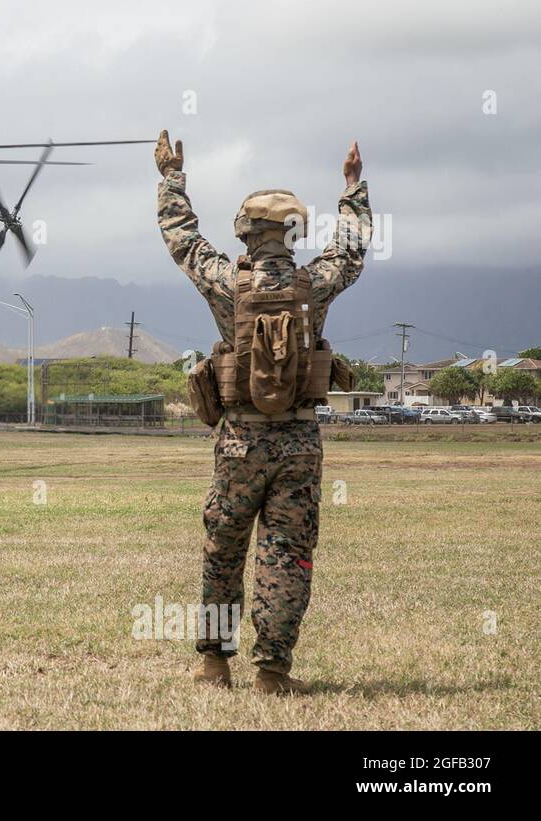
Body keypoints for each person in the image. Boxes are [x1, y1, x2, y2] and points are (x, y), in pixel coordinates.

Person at [155, 130, 370, 695]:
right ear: (294, 232)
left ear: (246, 233)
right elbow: (351, 250)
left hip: (238, 445)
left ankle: (213, 664)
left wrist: (172, 179)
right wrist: (353, 188)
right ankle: (273, 673)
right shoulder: (314, 285)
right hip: (299, 444)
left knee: (223, 549)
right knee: (288, 556)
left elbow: (183, 241)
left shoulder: (228, 283)